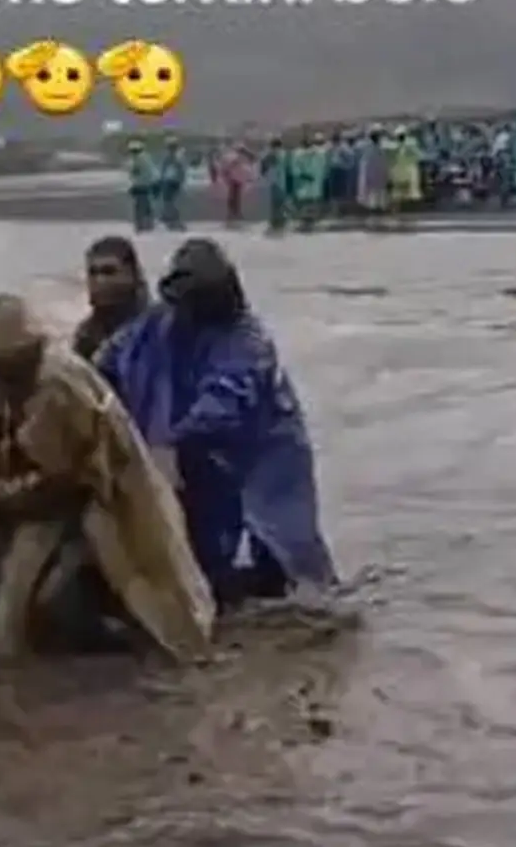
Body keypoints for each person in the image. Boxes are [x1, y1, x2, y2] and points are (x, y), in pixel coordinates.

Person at [0, 294, 215, 664]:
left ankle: (154, 641)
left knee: (151, 580)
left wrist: (1, 493)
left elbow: (64, 478)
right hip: (29, 495)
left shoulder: (60, 387)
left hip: (102, 493)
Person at [98, 238, 337, 607]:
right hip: (191, 456)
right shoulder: (158, 323)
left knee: (289, 559)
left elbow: (224, 403)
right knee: (201, 557)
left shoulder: (247, 341)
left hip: (262, 455)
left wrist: (171, 442)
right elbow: (109, 361)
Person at [72, 235, 150, 362]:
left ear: (132, 275)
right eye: (93, 272)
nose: (99, 280)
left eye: (108, 272)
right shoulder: (87, 334)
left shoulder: (152, 329)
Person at [288, 133, 327, 230]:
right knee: (312, 202)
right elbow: (323, 167)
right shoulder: (319, 153)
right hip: (315, 182)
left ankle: (306, 222)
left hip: (304, 182)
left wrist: (304, 175)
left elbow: (295, 170)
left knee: (304, 203)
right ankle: (310, 222)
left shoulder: (297, 154)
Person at [259, 136, 291, 232]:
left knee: (275, 204)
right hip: (282, 182)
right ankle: (281, 222)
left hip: (273, 182)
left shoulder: (268, 156)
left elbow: (262, 170)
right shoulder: (285, 155)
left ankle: (276, 222)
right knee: (282, 203)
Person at [155, 135, 188, 229]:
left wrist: (161, 179)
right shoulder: (178, 155)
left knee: (169, 200)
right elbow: (182, 170)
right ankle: (168, 216)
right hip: (173, 181)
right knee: (170, 200)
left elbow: (165, 169)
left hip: (171, 181)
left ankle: (172, 218)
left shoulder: (174, 156)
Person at [125, 140, 156, 233]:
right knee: (146, 206)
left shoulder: (137, 159)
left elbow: (135, 173)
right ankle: (148, 225)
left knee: (140, 206)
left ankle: (141, 226)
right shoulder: (146, 158)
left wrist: (133, 186)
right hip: (145, 185)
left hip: (140, 186)